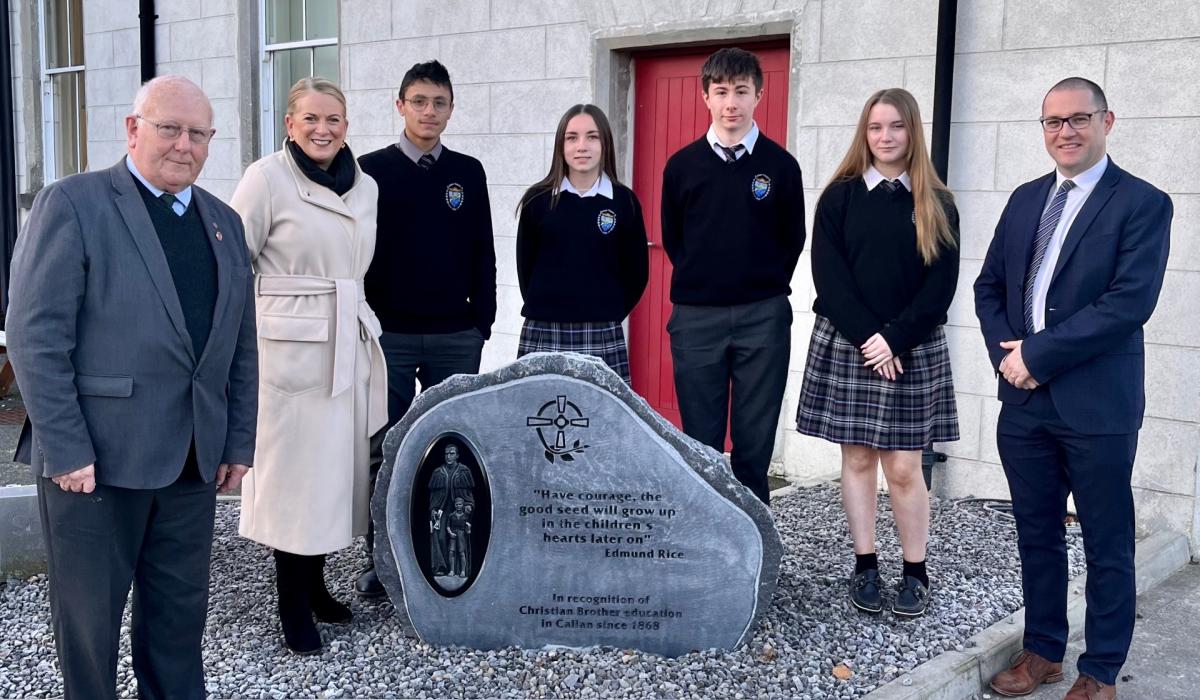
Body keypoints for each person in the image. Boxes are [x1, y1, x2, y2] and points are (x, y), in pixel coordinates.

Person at [6, 75, 257, 700]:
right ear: (132, 130)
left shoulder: (224, 223)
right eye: (169, 129)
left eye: (198, 134)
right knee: (89, 628)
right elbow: (36, 336)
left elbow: (239, 345)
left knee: (178, 626)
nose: (183, 145)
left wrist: (237, 441)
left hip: (192, 463)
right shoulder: (73, 204)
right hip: (96, 464)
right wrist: (66, 448)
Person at [975, 78, 1172, 700]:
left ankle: (1101, 671)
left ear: (1106, 121)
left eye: (1078, 119)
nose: (1065, 132)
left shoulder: (1142, 203)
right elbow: (988, 287)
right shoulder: (1025, 199)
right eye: (1053, 121)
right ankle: (1043, 652)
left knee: (1107, 542)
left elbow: (1128, 303)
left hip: (1097, 405)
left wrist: (1037, 355)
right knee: (1036, 533)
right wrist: (1010, 360)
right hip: (1024, 403)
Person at [230, 77, 386, 655]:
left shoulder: (365, 185)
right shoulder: (266, 179)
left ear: (347, 126)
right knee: (295, 479)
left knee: (334, 476)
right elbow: (234, 261)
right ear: (290, 124)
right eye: (311, 119)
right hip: (289, 349)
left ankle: (317, 589)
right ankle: (292, 605)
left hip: (346, 339)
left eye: (334, 119)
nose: (323, 129)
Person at [795, 88, 960, 618]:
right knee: (860, 458)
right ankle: (865, 565)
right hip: (852, 343)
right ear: (864, 134)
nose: (885, 137)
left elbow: (941, 286)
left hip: (911, 347)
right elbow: (830, 277)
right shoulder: (840, 197)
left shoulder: (936, 201)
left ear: (912, 132)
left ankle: (915, 571)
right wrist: (872, 338)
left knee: (906, 467)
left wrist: (895, 338)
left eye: (896, 126)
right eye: (875, 127)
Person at [357, 59, 496, 597]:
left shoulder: (468, 172)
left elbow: (483, 251)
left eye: (439, 102)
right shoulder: (369, 171)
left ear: (451, 109)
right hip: (388, 336)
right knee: (386, 447)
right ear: (400, 106)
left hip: (454, 335)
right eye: (419, 101)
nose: (429, 111)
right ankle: (384, 558)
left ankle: (452, 554)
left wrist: (481, 322)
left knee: (452, 445)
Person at [660, 47, 805, 504]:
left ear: (758, 94)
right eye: (721, 92)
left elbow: (792, 239)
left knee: (754, 442)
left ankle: (754, 537)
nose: (731, 103)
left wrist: (756, 284)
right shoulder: (681, 166)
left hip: (762, 317)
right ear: (705, 96)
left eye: (741, 91)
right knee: (700, 442)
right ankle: (705, 535)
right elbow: (674, 239)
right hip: (696, 317)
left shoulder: (781, 167)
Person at [515, 103, 649, 382]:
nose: (582, 146)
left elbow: (636, 274)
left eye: (592, 136)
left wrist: (606, 311)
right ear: (561, 145)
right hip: (545, 330)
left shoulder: (624, 202)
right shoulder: (537, 201)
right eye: (572, 138)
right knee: (540, 407)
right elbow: (526, 269)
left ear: (605, 143)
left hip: (601, 331)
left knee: (601, 411)